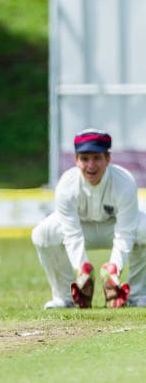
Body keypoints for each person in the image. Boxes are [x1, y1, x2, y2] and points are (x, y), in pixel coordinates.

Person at [32, 129, 146, 309]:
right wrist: (83, 270)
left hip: (113, 228)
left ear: (108, 159)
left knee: (144, 229)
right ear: (76, 160)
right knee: (42, 234)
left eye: (97, 158)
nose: (91, 165)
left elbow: (126, 231)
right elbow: (71, 233)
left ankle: (138, 295)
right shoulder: (66, 185)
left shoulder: (124, 182)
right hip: (83, 230)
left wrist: (114, 269)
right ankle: (66, 298)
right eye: (84, 159)